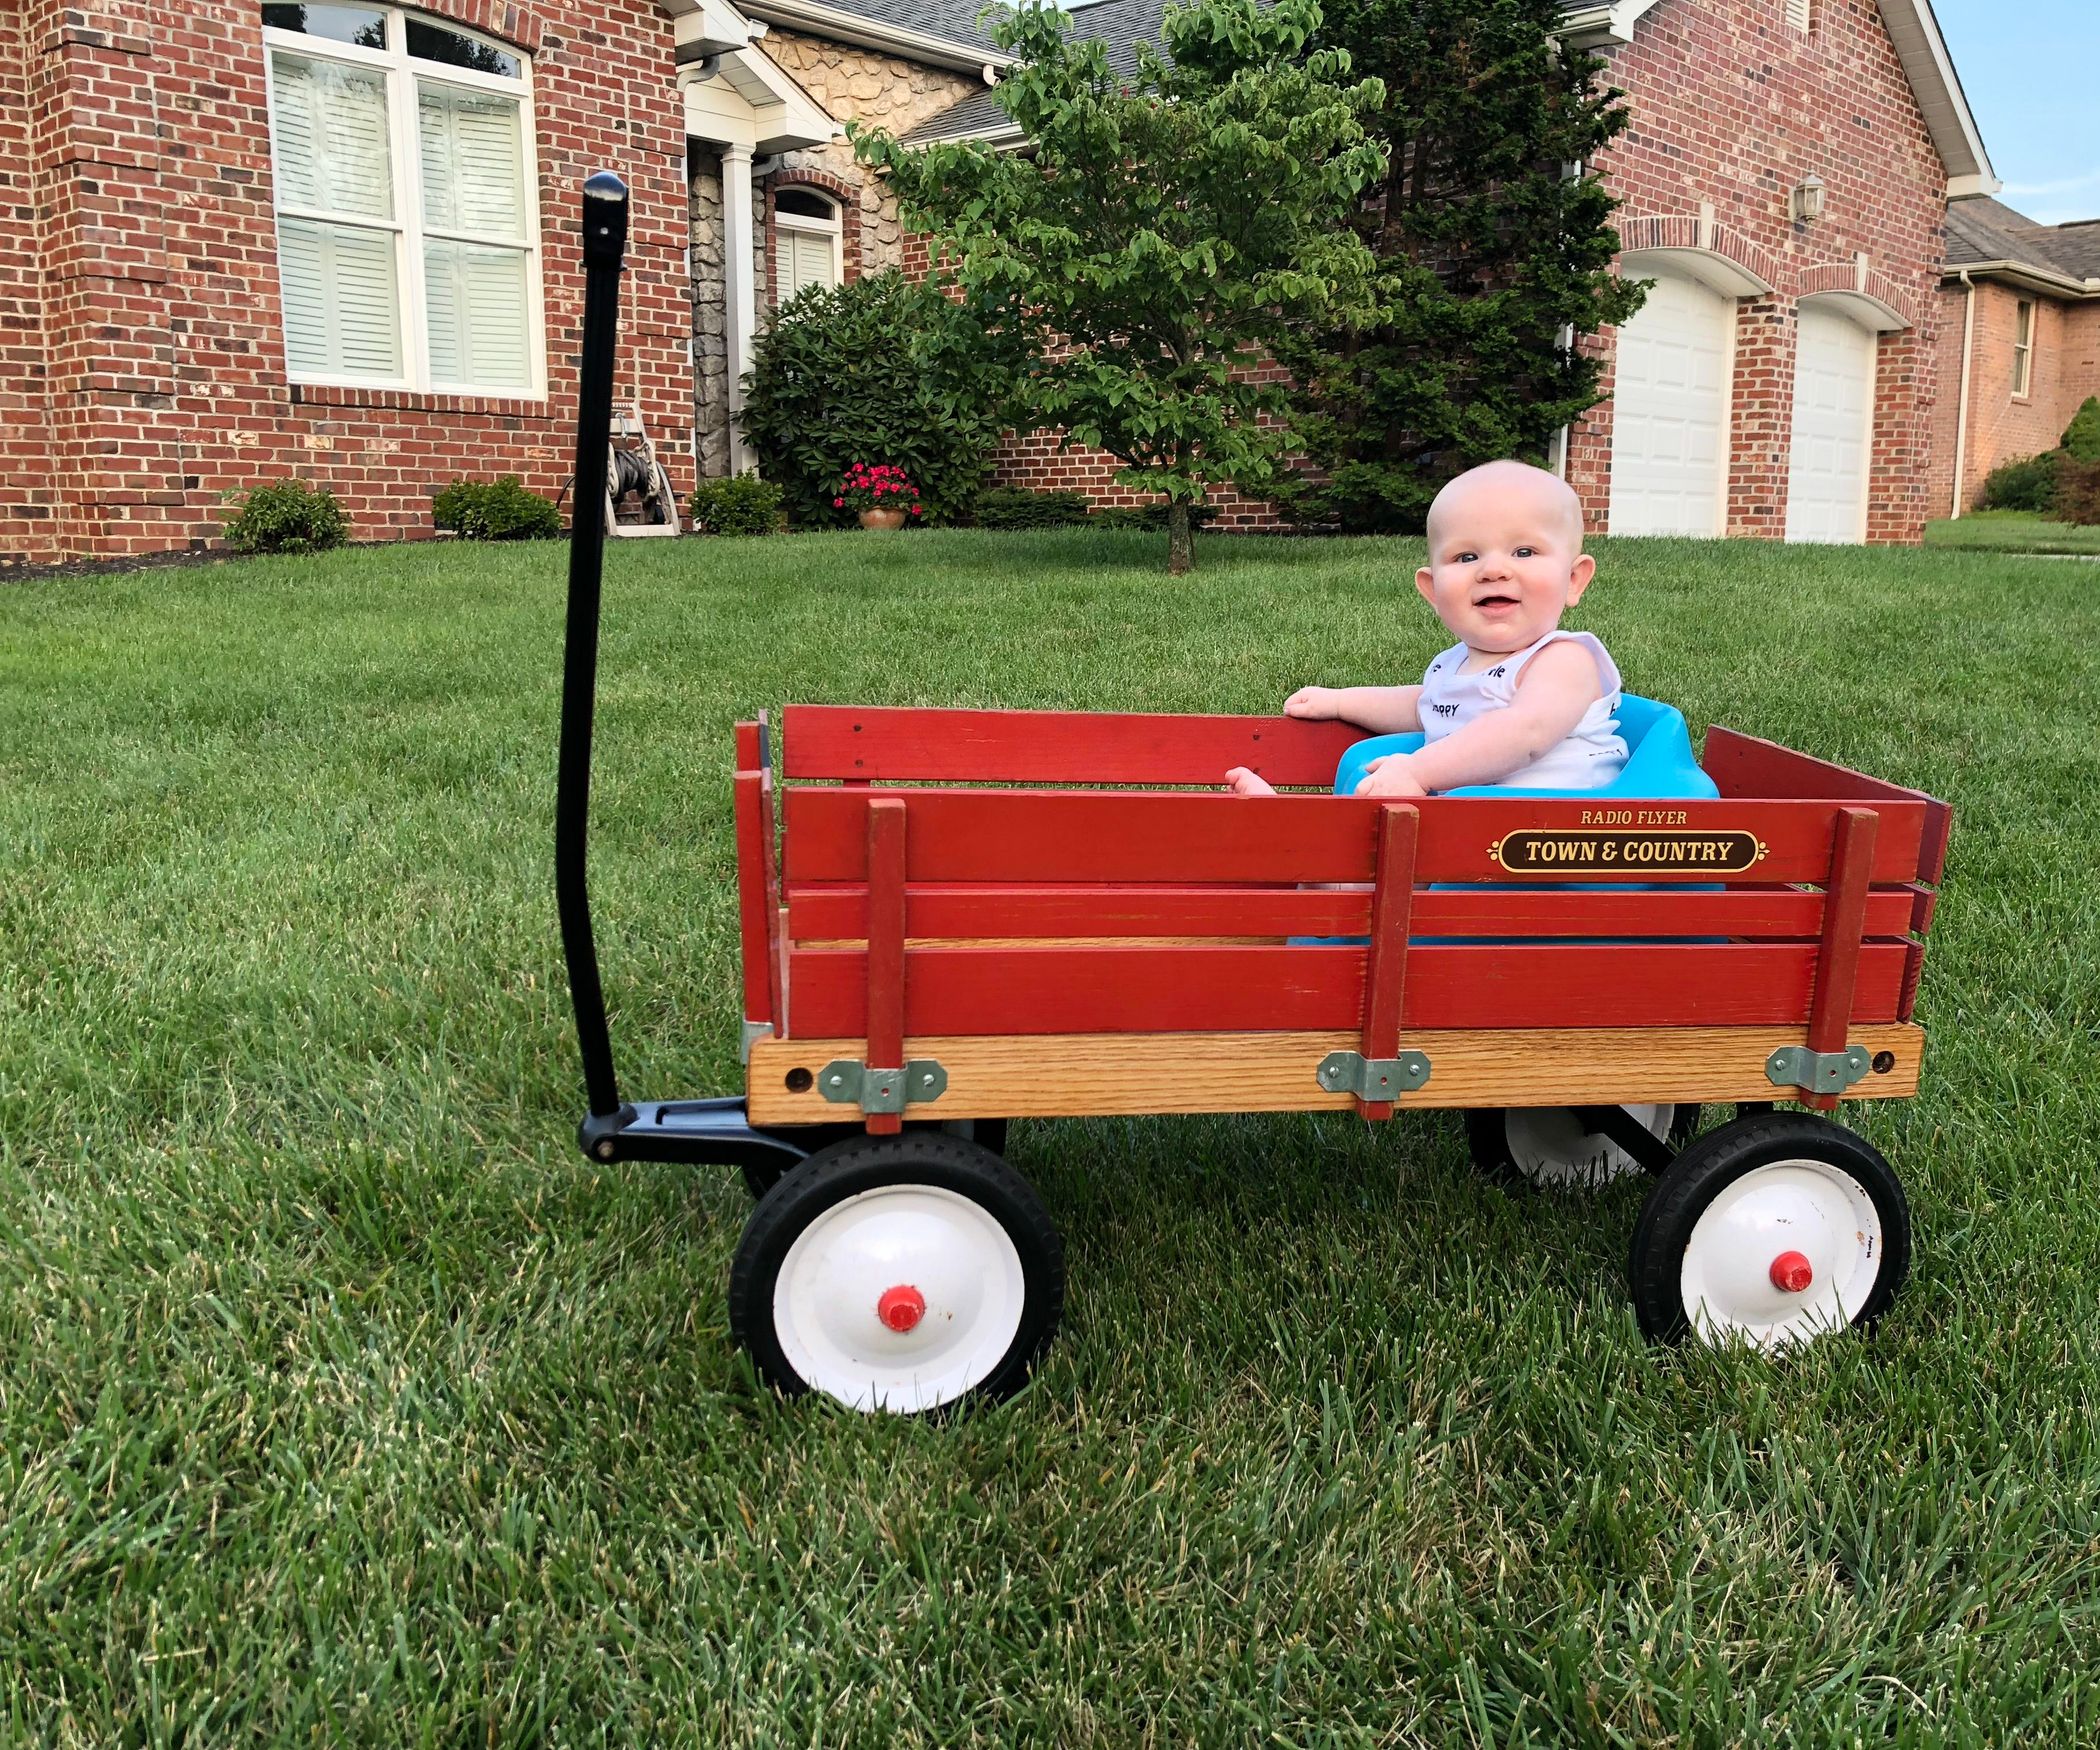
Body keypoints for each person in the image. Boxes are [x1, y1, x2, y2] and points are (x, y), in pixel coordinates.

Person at [1225, 459, 1627, 798]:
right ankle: (1313, 855)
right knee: (1376, 795)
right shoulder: (1451, 666)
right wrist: (1340, 702)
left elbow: (1525, 733)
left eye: (1524, 551)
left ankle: (1317, 862)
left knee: (1400, 819)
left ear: (1573, 579)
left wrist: (1419, 771)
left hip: (1550, 843)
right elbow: (1421, 705)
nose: (1493, 570)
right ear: (1433, 591)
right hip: (1472, 832)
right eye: (1466, 556)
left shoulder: (1564, 660)